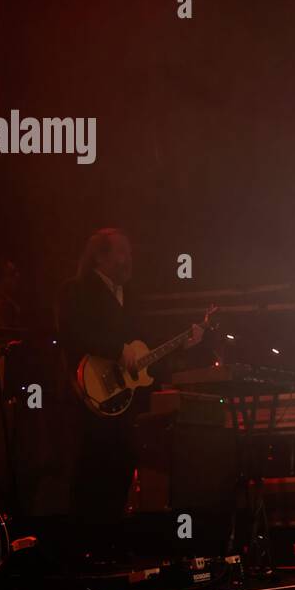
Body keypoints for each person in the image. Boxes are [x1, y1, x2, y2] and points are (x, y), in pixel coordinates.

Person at [54, 228, 202, 561]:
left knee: (120, 465)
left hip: (124, 402)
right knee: (90, 467)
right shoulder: (75, 291)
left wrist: (183, 343)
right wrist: (114, 350)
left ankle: (106, 545)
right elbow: (71, 333)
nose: (128, 260)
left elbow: (145, 346)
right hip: (88, 393)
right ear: (99, 256)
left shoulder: (132, 297)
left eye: (130, 254)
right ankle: (81, 549)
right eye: (121, 253)